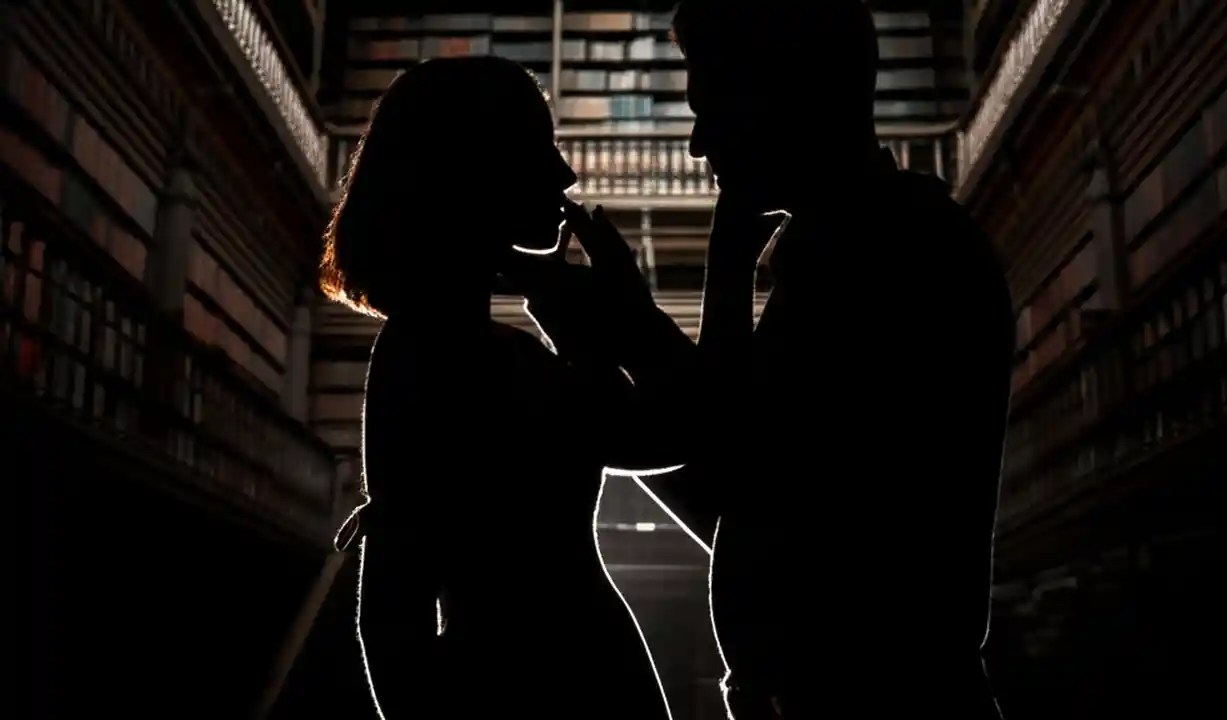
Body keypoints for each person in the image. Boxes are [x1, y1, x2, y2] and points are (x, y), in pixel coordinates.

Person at [525, 1, 1015, 717]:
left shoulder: (881, 252)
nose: (697, 146)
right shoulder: (870, 238)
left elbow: (731, 470)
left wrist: (639, 325)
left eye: (709, 108)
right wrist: (631, 327)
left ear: (777, 95)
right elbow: (754, 500)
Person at [319, 57, 674, 719]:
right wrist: (628, 306)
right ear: (473, 171)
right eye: (538, 149)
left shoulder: (442, 349)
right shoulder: (458, 357)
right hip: (543, 685)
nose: (565, 175)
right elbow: (666, 430)